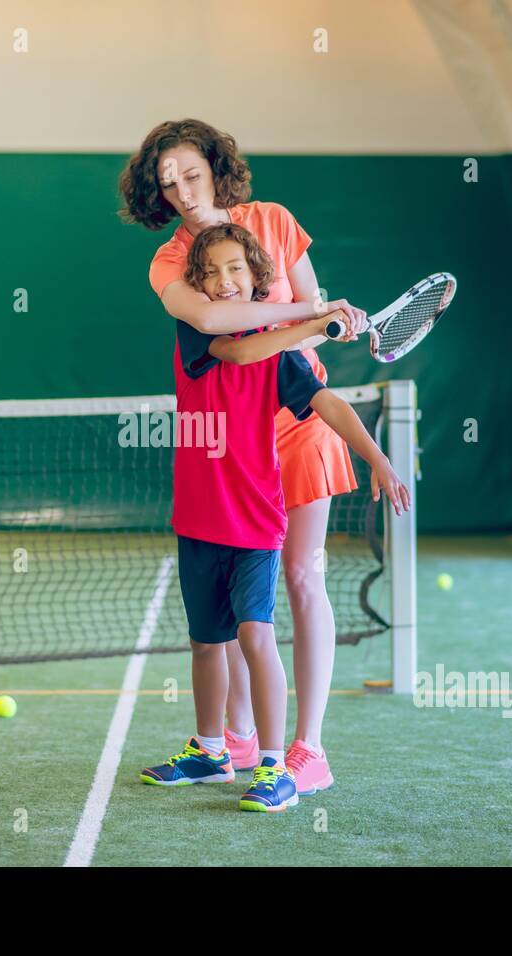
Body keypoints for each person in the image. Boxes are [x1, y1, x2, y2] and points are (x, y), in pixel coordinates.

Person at [120, 118, 369, 793]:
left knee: (302, 577)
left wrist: (326, 318)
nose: (182, 192)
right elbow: (212, 322)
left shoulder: (276, 221)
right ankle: (230, 743)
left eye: (191, 174)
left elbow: (312, 303)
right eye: (167, 184)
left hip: (299, 423)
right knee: (229, 605)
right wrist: (311, 319)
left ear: (214, 164)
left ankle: (307, 752)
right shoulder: (170, 261)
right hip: (232, 443)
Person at [137, 222, 409, 811]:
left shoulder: (282, 360)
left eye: (235, 268)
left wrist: (380, 460)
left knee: (255, 636)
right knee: (206, 643)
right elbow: (237, 348)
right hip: (197, 520)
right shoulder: (197, 334)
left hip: (255, 524)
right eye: (209, 273)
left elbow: (328, 404)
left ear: (259, 278)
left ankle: (272, 765)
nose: (222, 280)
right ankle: (211, 751)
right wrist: (312, 324)